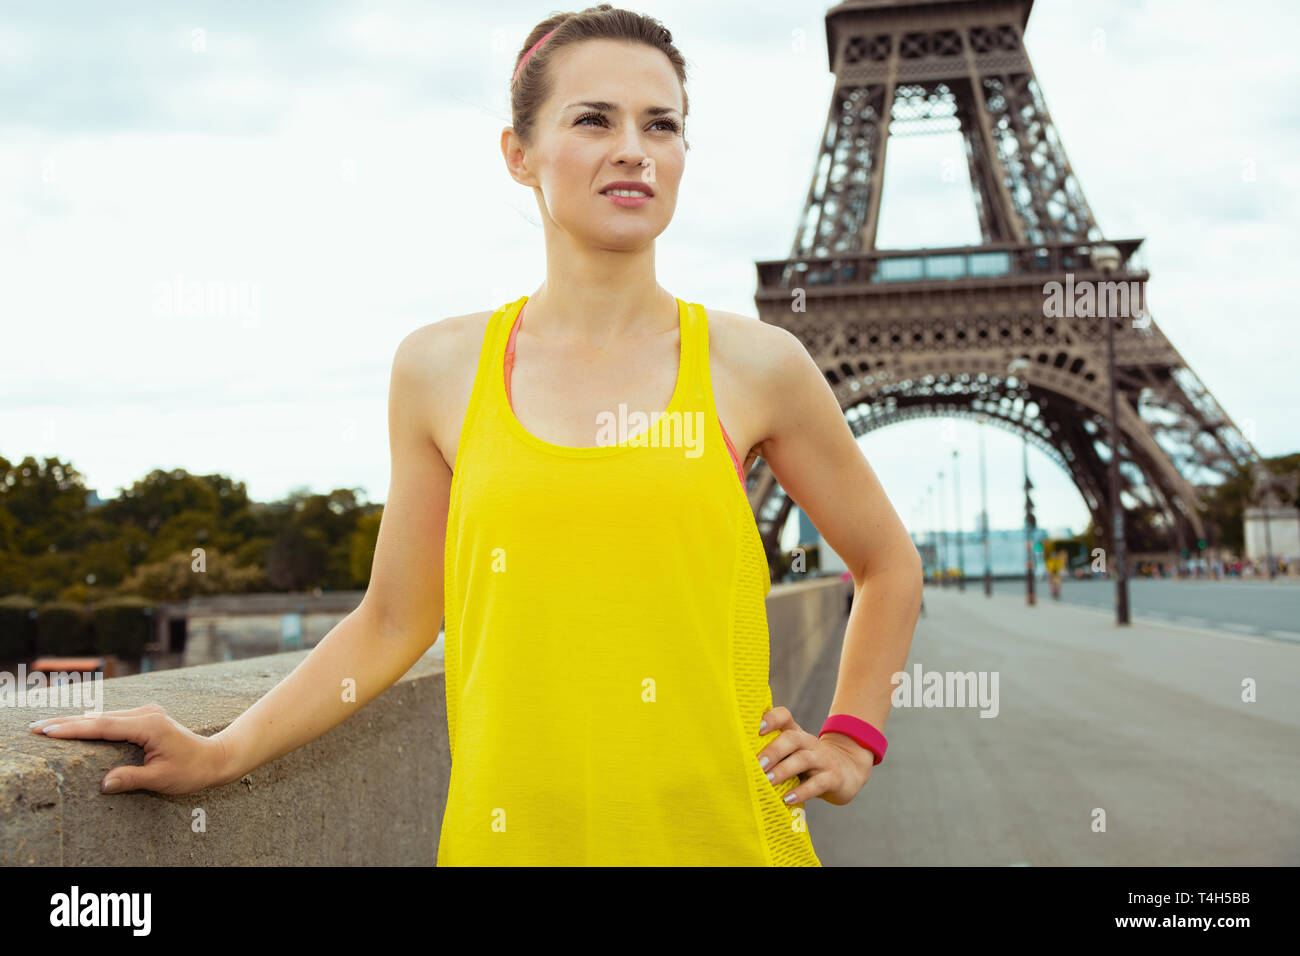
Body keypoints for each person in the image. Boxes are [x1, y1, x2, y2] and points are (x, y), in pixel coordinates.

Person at [28, 4, 922, 866]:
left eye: (662, 126)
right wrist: (222, 752)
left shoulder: (758, 364)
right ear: (518, 154)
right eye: (593, 119)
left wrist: (852, 739)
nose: (633, 151)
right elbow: (392, 619)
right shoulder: (437, 369)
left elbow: (886, 564)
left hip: (726, 843)